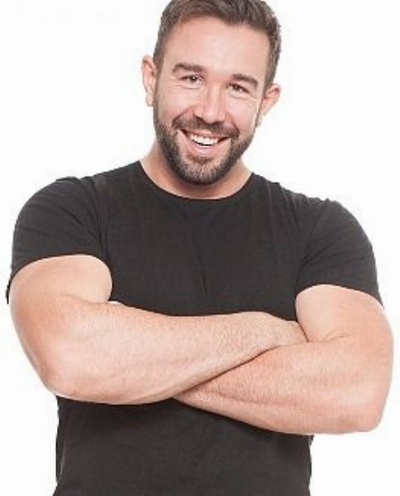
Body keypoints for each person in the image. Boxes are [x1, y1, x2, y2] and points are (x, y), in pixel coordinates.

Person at [7, 0, 393, 495]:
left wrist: (131, 360)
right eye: (191, 78)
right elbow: (68, 356)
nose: (210, 112)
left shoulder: (320, 229)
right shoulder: (73, 209)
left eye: (238, 87)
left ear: (266, 101)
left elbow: (358, 393)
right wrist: (264, 331)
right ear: (151, 79)